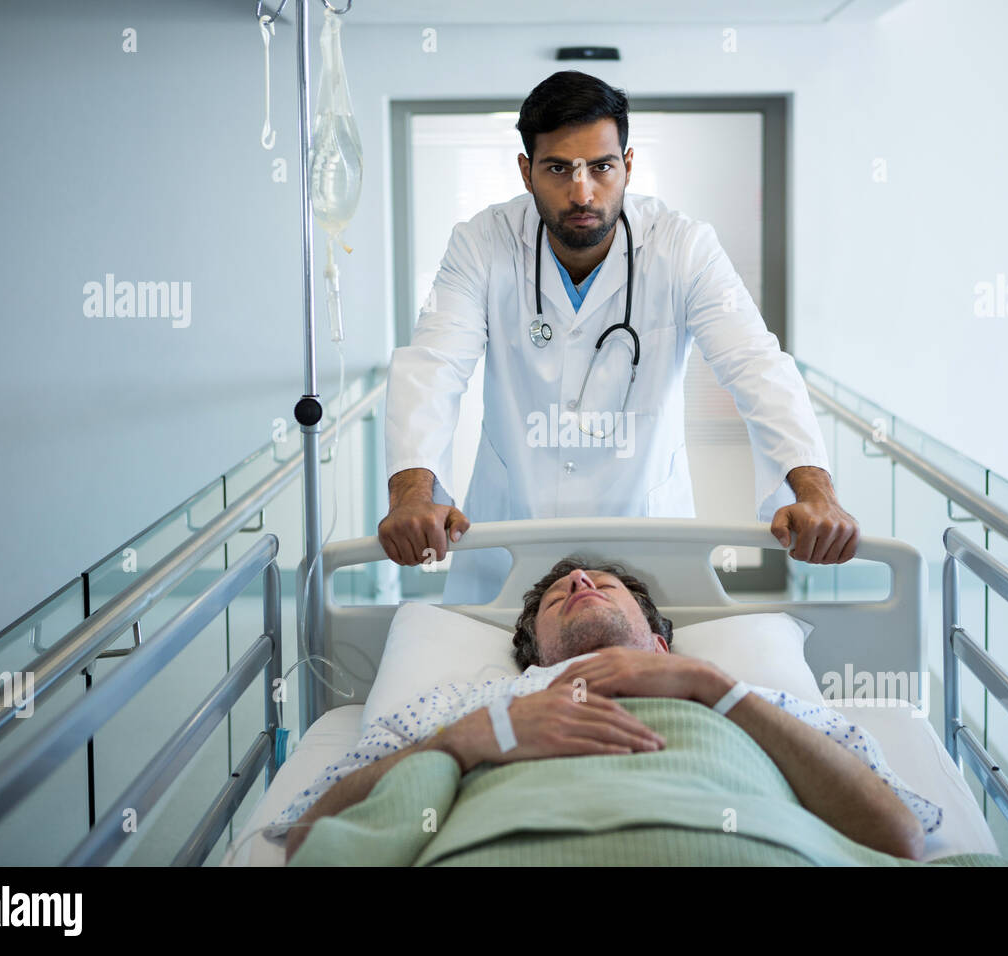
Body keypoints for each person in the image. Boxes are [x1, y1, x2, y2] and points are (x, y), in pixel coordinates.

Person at [381, 70, 859, 603]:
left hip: (645, 539)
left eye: (601, 167)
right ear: (526, 171)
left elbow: (754, 364)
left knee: (646, 666)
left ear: (628, 165)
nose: (581, 192)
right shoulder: (482, 244)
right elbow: (434, 364)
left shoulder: (683, 247)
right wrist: (411, 494)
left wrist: (815, 492)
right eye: (558, 168)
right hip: (513, 540)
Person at [274, 559, 943, 865]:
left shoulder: (756, 699)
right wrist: (475, 738)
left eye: (604, 583)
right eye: (560, 593)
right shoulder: (463, 705)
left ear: (659, 639)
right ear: (532, 652)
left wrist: (711, 688)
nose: (581, 583)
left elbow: (897, 835)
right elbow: (312, 830)